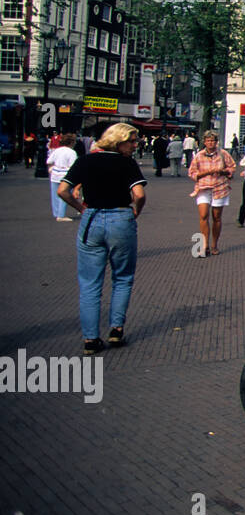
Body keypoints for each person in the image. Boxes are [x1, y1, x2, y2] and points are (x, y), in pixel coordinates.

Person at [57, 124, 146, 354]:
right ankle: (116, 329)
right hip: (120, 217)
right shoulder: (126, 163)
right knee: (123, 277)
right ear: (119, 142)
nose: (135, 146)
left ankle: (90, 339)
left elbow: (63, 190)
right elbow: (139, 194)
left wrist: (81, 207)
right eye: (132, 141)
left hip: (92, 217)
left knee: (89, 284)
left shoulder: (86, 161)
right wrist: (136, 211)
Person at [188, 130, 236, 256]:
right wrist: (206, 173)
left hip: (220, 188)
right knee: (203, 215)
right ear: (204, 142)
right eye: (208, 141)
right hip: (203, 188)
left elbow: (232, 167)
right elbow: (192, 173)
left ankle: (214, 244)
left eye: (213, 141)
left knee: (216, 217)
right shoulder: (199, 155)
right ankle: (204, 245)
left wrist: (223, 172)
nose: (211, 143)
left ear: (216, 142)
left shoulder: (223, 154)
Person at [47, 132, 79, 221]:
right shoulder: (72, 152)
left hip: (55, 174)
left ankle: (56, 213)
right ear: (71, 142)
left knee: (55, 194)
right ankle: (61, 215)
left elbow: (49, 161)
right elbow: (73, 166)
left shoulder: (57, 150)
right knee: (65, 194)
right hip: (65, 175)